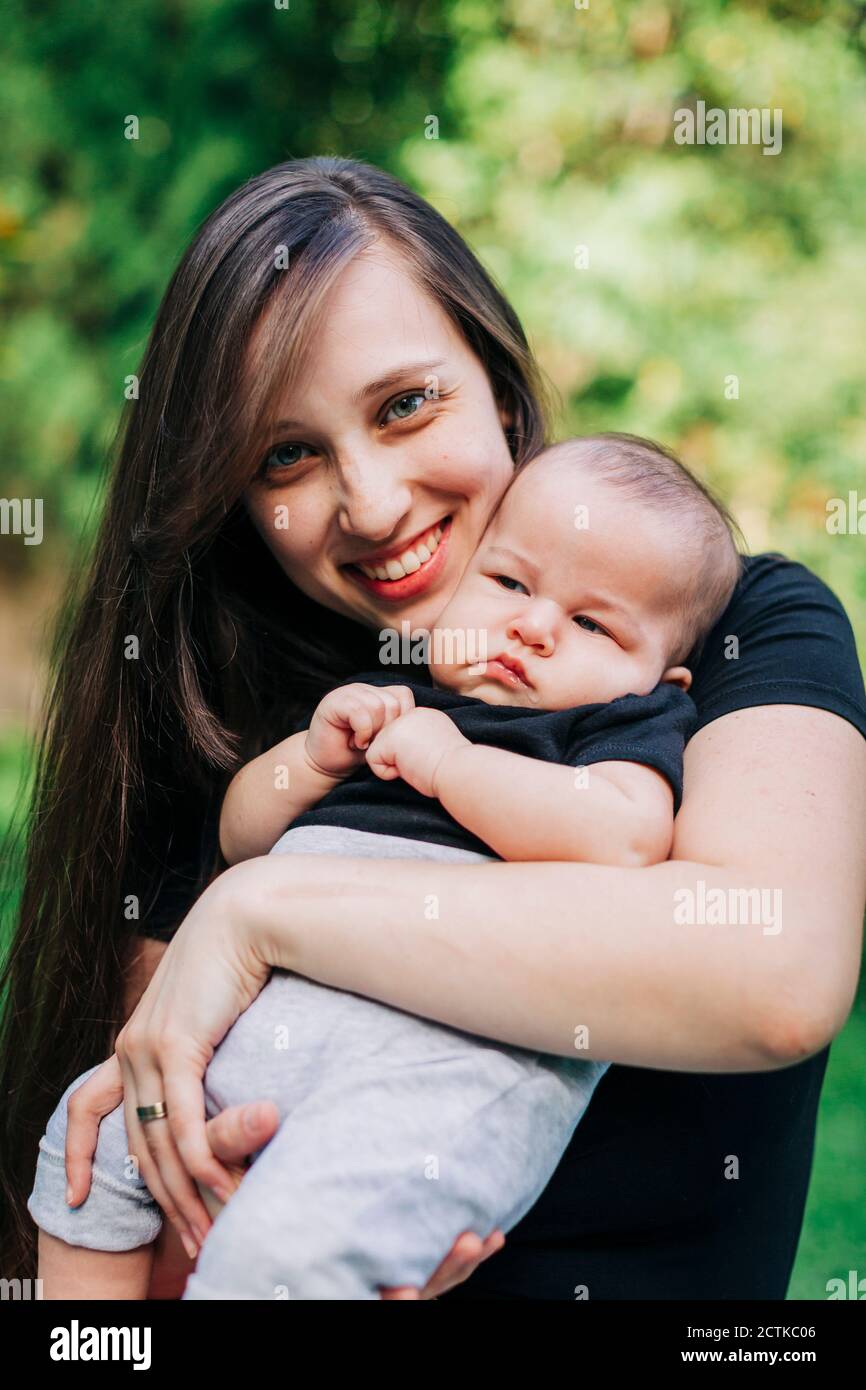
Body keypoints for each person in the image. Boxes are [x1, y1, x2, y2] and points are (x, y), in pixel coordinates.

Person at [3, 158, 865, 1302]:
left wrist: (263, 912)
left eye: (404, 404)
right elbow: (135, 1206)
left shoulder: (719, 628)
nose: (370, 502)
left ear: (499, 389)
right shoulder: (242, 722)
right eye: (285, 455)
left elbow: (769, 972)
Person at [28, 433, 739, 1298]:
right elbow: (244, 841)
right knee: (95, 1139)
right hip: (265, 1035)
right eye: (510, 583)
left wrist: (450, 766)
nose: (534, 625)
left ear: (663, 677)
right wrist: (309, 760)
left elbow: (621, 839)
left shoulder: (616, 727)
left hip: (439, 1067)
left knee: (285, 1255)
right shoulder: (400, 696)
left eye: (592, 623)